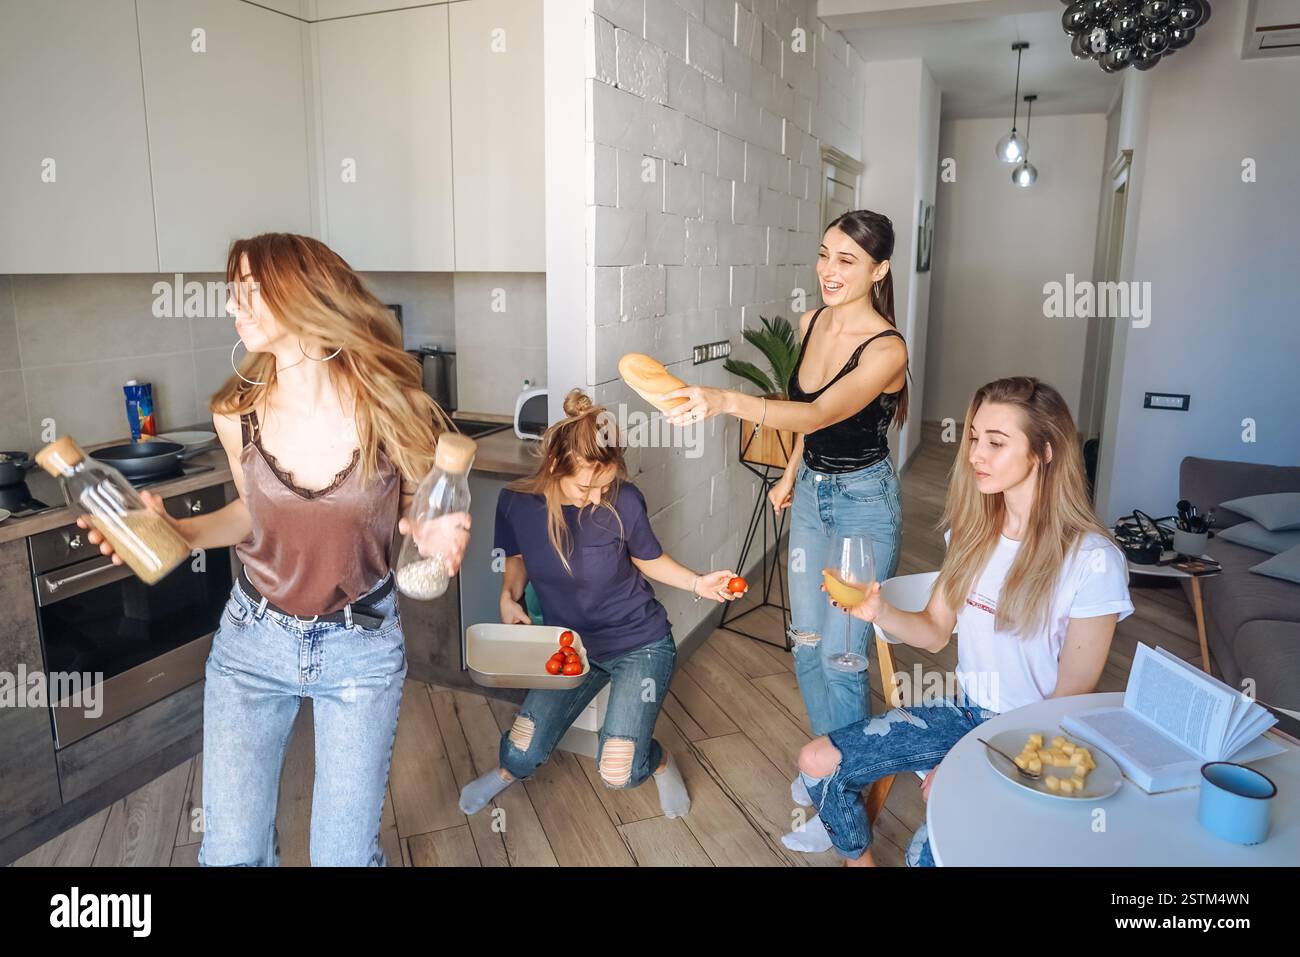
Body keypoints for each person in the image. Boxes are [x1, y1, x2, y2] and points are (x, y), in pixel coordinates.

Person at [80, 233, 469, 865]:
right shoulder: (237, 415)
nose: (234, 304)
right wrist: (181, 532)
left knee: (343, 857)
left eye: (250, 291)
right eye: (232, 291)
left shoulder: (394, 410)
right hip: (252, 643)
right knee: (230, 854)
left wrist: (430, 531)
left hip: (360, 647)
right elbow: (253, 514)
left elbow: (414, 512)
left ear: (306, 294)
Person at [796, 377, 1133, 865]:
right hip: (964, 712)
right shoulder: (972, 534)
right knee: (816, 763)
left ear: (1044, 451)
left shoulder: (1093, 560)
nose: (975, 453)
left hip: (1033, 739)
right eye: (975, 437)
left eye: (996, 443)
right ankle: (859, 862)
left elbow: (1071, 698)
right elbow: (934, 633)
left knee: (923, 858)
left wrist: (974, 761)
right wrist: (879, 612)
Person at [659, 210, 909, 847]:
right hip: (815, 495)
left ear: (879, 271)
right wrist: (794, 472)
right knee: (802, 638)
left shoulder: (886, 350)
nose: (828, 271)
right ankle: (831, 758)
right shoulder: (812, 322)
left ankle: (840, 794)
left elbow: (825, 407)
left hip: (862, 506)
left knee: (842, 655)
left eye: (847, 261)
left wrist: (723, 400)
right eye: (824, 254)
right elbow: (811, 424)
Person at [457, 389, 742, 818]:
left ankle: (659, 761)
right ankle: (505, 774)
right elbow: (516, 557)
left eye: (604, 485)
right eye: (586, 486)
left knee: (619, 772)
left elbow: (649, 559)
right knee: (520, 751)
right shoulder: (516, 502)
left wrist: (700, 583)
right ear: (554, 466)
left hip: (638, 642)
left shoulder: (624, 500)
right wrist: (507, 595)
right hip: (570, 646)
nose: (595, 497)